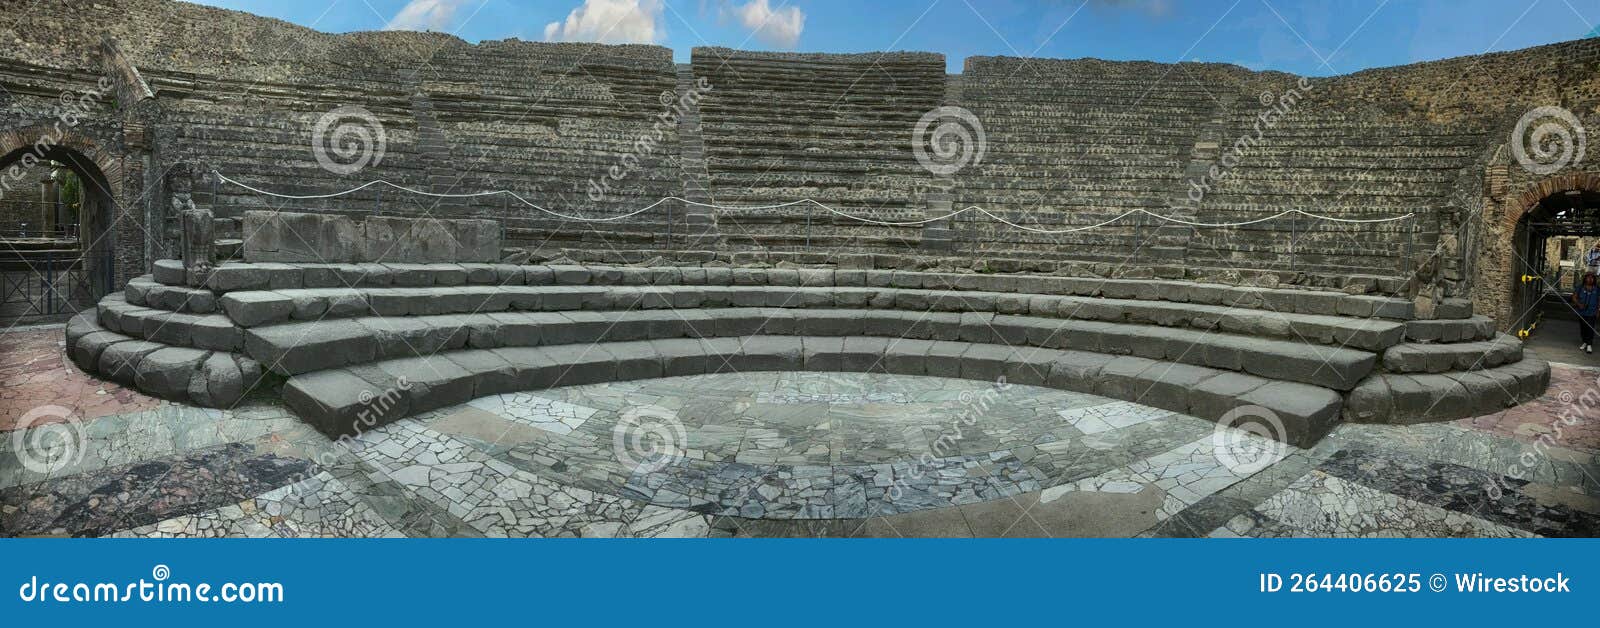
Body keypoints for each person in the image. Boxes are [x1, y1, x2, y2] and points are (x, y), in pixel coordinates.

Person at [1573, 272, 1600, 354]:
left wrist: (1598, 310)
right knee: (1583, 327)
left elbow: (1599, 300)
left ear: (1594, 279)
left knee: (1590, 327)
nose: (1590, 279)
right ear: (1585, 278)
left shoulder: (1597, 289)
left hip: (1592, 312)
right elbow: (1574, 297)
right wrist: (1579, 304)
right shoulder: (1580, 288)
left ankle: (1589, 344)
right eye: (1588, 277)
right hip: (1582, 312)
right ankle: (1585, 341)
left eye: (1592, 277)